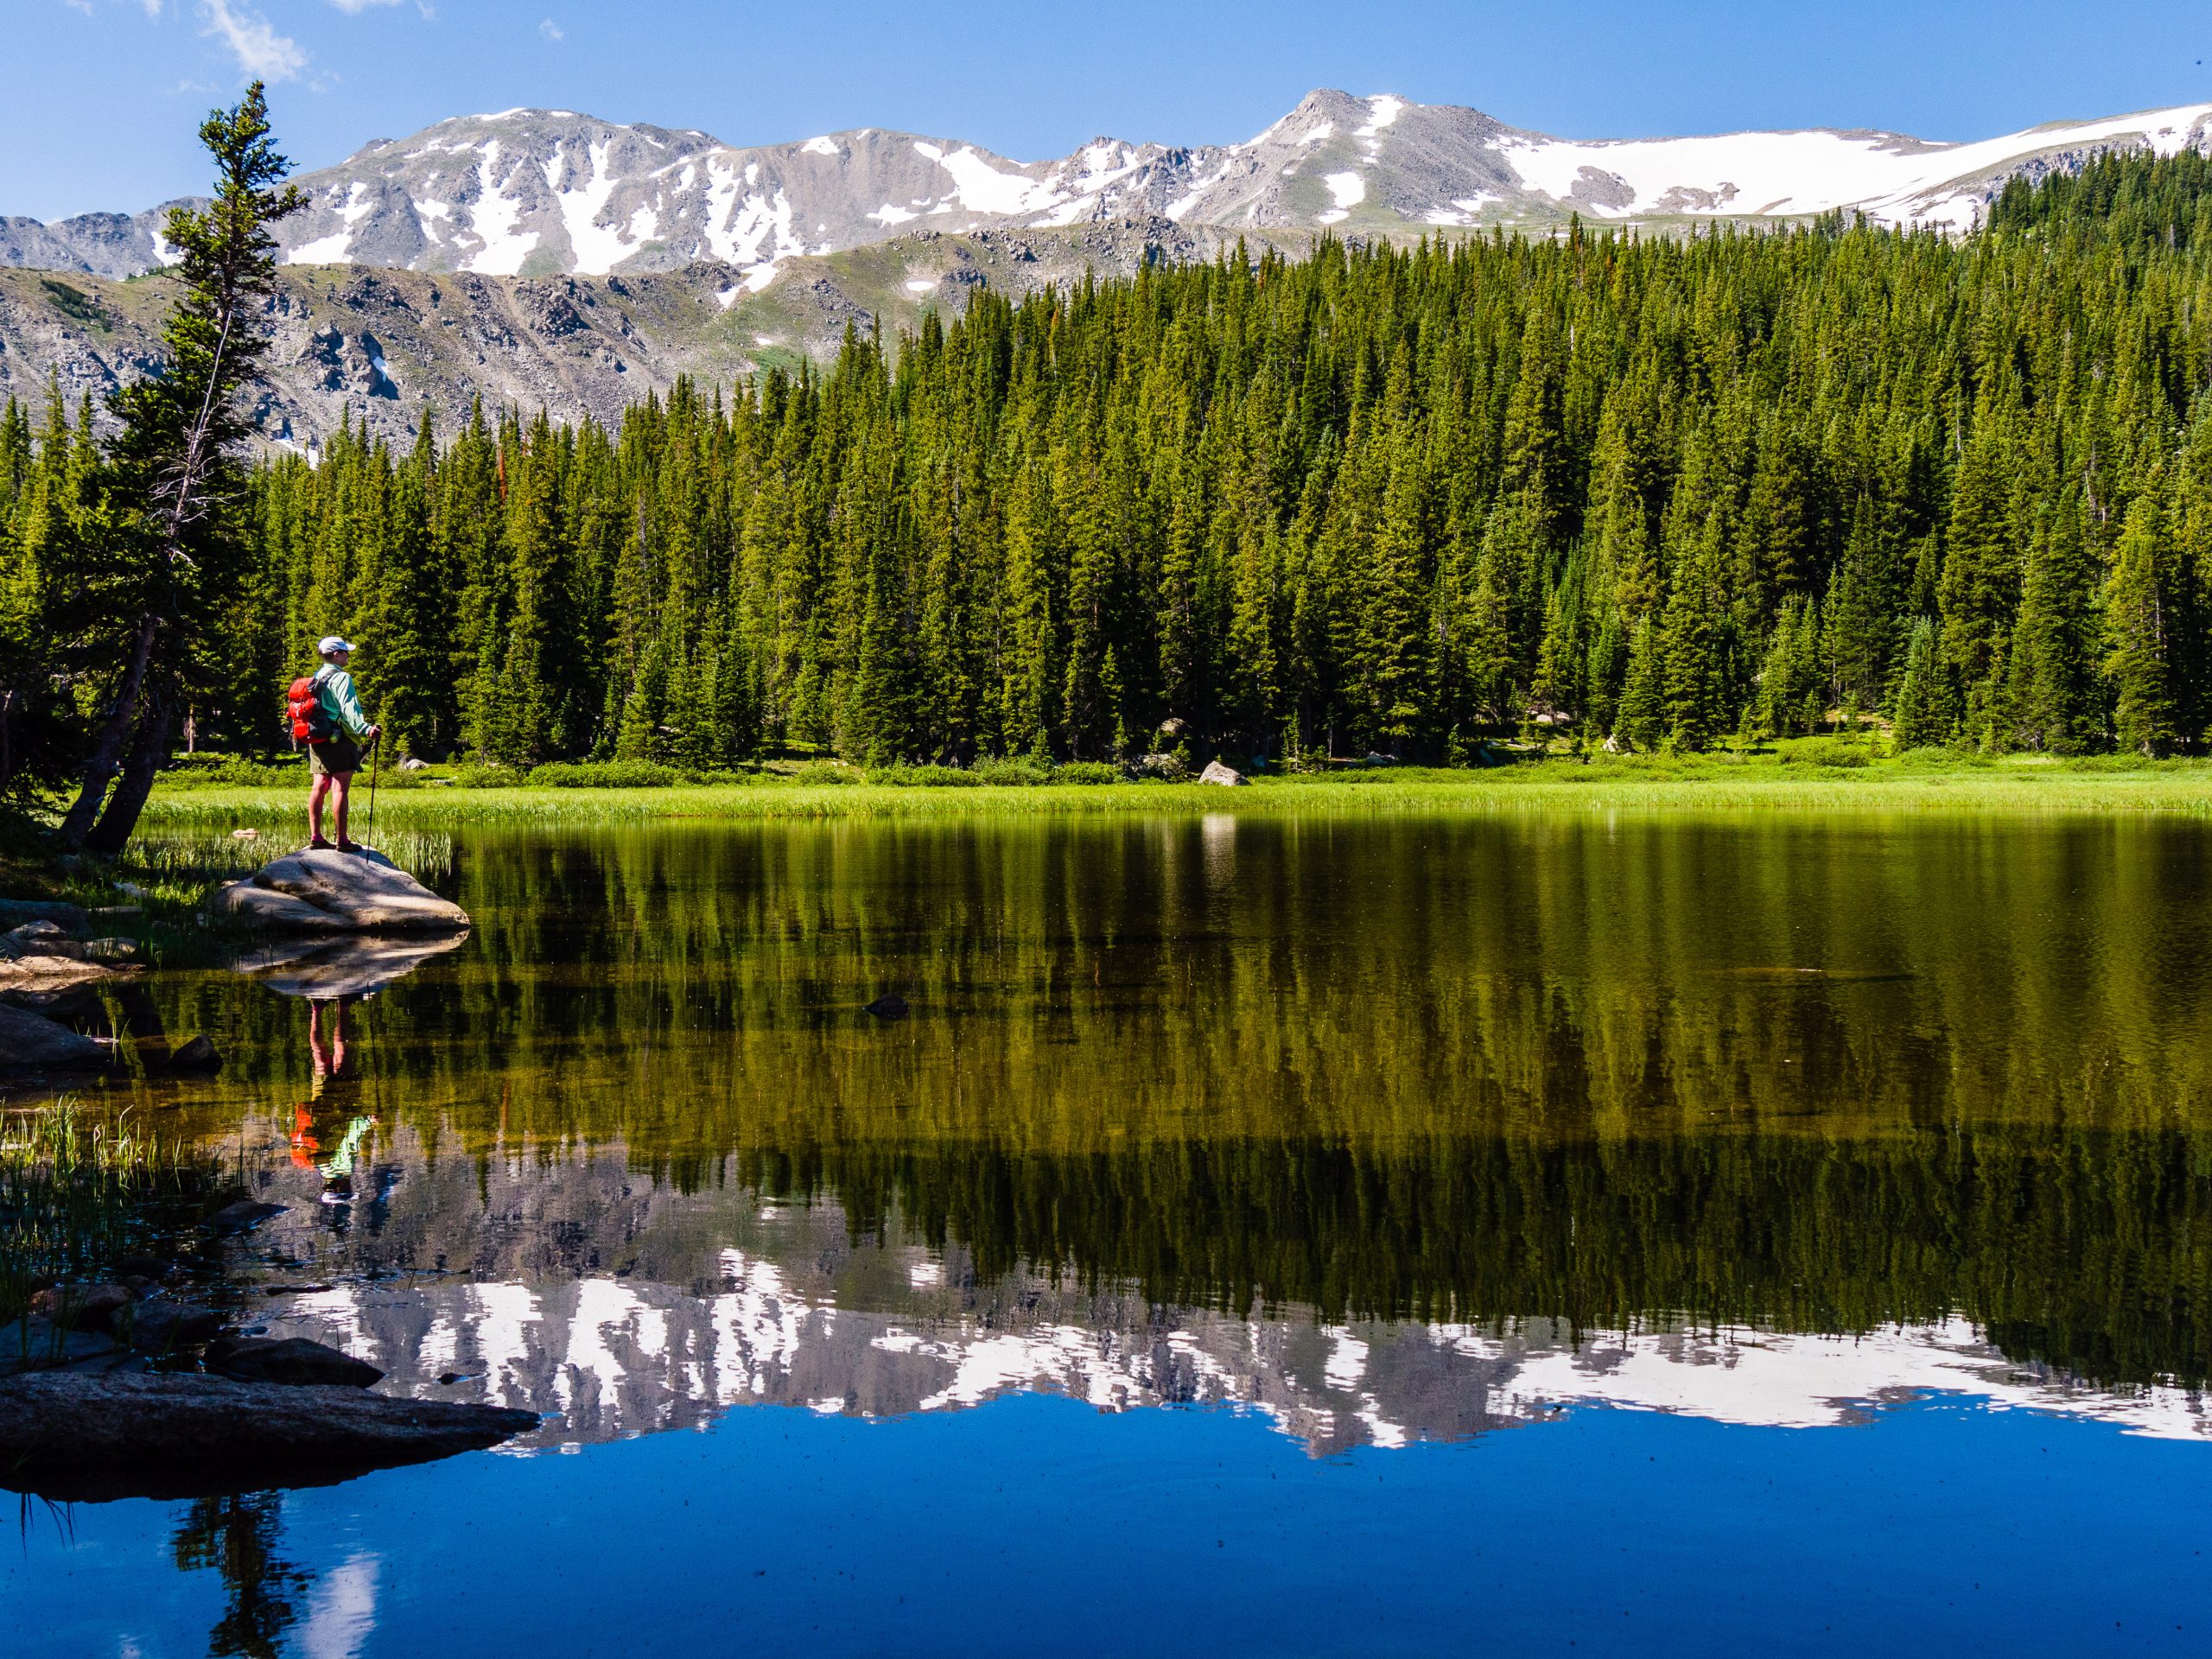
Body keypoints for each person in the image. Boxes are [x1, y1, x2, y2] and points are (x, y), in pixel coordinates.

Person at [303, 635, 382, 853]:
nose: (348, 655)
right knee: (340, 788)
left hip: (317, 736)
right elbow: (349, 709)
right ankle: (343, 841)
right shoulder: (342, 678)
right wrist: (366, 729)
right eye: (346, 652)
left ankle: (316, 837)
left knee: (319, 786)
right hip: (340, 738)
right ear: (336, 655)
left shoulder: (317, 676)